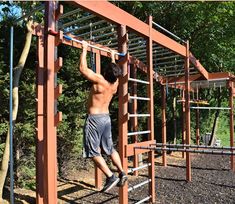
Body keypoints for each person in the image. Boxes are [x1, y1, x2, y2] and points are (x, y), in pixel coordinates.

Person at [80, 41, 128, 192]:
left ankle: (110, 176)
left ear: (105, 73)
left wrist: (84, 49)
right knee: (110, 148)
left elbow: (82, 68)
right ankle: (122, 172)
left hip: (94, 120)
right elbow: (115, 72)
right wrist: (113, 58)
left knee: (93, 151)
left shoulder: (99, 80)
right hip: (106, 119)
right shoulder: (115, 84)